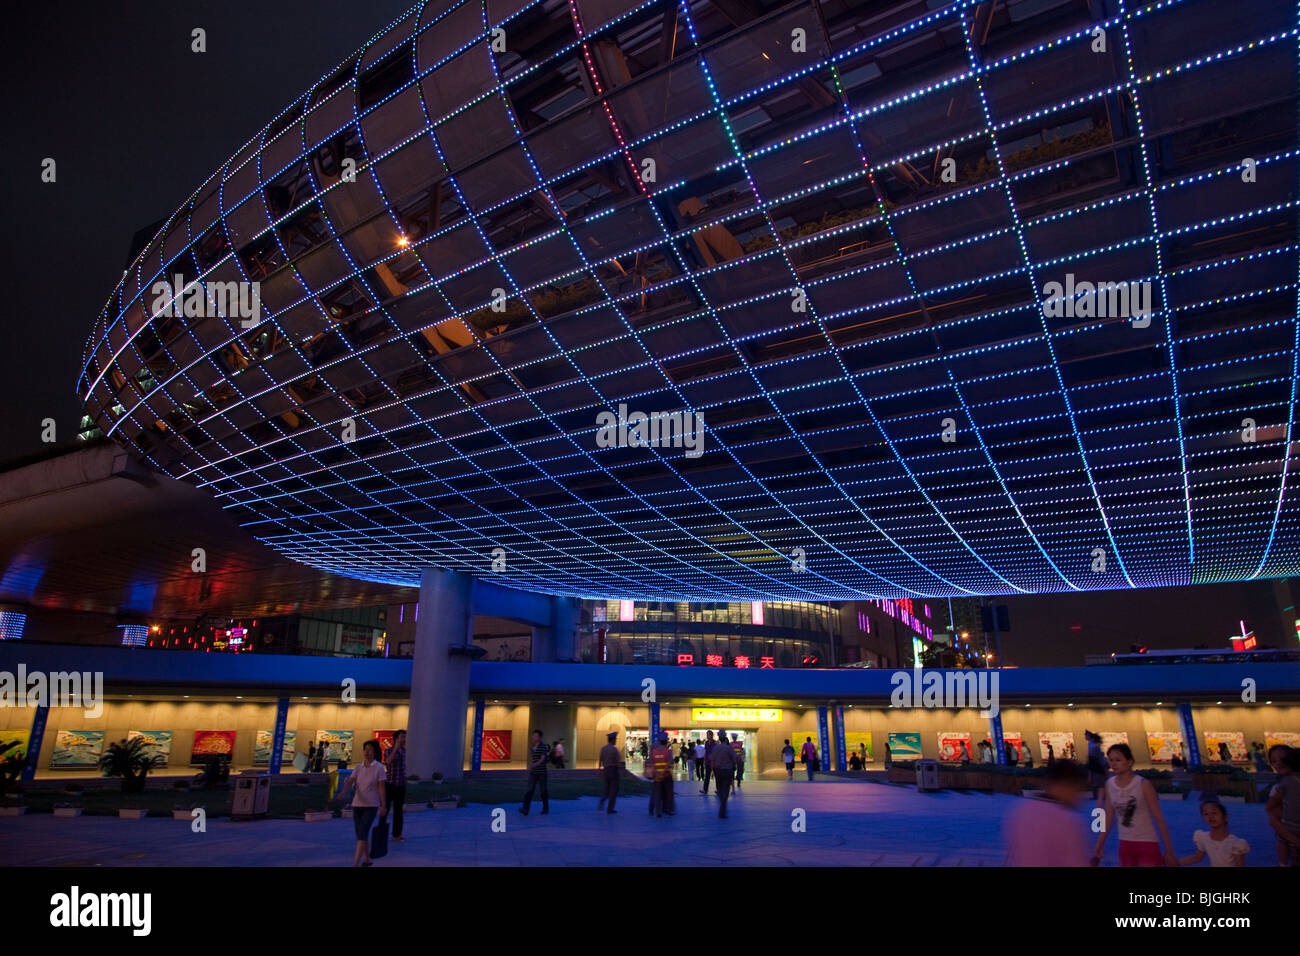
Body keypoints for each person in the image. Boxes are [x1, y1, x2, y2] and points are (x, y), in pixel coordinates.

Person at [1091, 743, 1177, 867]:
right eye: (1111, 760)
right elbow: (1109, 817)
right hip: (1125, 844)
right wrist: (1100, 844)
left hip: (1147, 843)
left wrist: (1169, 851)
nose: (1114, 764)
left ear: (1129, 761)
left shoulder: (1143, 784)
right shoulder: (1109, 784)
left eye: (1118, 760)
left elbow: (1159, 819)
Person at [1005, 759, 1089, 866]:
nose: (1078, 797)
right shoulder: (1067, 821)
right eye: (1077, 790)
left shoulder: (1022, 810)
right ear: (1068, 786)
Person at [334, 739, 386, 867]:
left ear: (375, 752)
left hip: (371, 805)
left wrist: (383, 804)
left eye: (370, 750)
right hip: (357, 804)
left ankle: (356, 863)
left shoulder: (379, 768)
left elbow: (381, 787)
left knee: (362, 832)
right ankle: (367, 859)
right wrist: (343, 792)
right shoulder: (358, 767)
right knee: (361, 833)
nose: (367, 752)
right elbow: (350, 781)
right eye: (365, 749)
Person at [1177, 800, 1249, 867]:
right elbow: (1197, 857)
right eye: (1206, 814)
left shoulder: (1235, 843)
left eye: (1214, 813)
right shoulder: (1203, 837)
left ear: (1225, 817)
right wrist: (1177, 862)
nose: (1211, 817)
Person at [1266, 745, 1300, 866]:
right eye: (1274, 761)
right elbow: (1273, 818)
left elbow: (1269, 809)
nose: (1278, 763)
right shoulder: (1282, 785)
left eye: (1283, 759)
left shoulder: (1285, 783)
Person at [519, 730, 550, 816]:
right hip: (533, 773)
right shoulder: (532, 747)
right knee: (529, 790)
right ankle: (525, 809)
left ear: (540, 737)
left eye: (536, 736)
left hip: (542, 772)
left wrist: (536, 764)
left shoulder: (543, 746)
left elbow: (543, 758)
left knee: (543, 791)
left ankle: (545, 808)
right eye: (533, 736)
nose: (534, 737)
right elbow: (534, 757)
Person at [384, 729, 407, 842]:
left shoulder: (405, 751)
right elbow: (388, 762)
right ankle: (381, 833)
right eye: (402, 737)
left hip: (401, 785)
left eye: (405, 737)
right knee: (385, 809)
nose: (404, 739)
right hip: (390, 784)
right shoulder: (388, 751)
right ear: (396, 739)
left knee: (398, 811)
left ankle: (396, 834)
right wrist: (396, 748)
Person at [710, 731, 737, 818]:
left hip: (718, 771)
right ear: (725, 739)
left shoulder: (715, 748)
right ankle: (723, 807)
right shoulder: (728, 748)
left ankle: (722, 805)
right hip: (727, 771)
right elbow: (734, 759)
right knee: (726, 789)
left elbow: (712, 760)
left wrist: (712, 771)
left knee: (720, 789)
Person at [648, 732, 675, 818]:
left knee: (657, 794)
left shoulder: (654, 751)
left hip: (657, 777)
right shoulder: (668, 751)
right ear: (666, 741)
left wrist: (656, 773)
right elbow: (670, 763)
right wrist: (663, 772)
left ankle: (658, 812)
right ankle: (669, 810)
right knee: (669, 793)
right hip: (666, 776)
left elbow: (651, 763)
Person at [597, 730, 623, 813]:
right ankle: (610, 809)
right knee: (613, 790)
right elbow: (618, 762)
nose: (616, 741)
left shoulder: (603, 749)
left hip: (606, 770)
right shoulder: (614, 750)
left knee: (606, 789)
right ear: (612, 740)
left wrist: (600, 770)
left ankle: (602, 799)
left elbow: (600, 761)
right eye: (615, 739)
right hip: (613, 771)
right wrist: (620, 771)